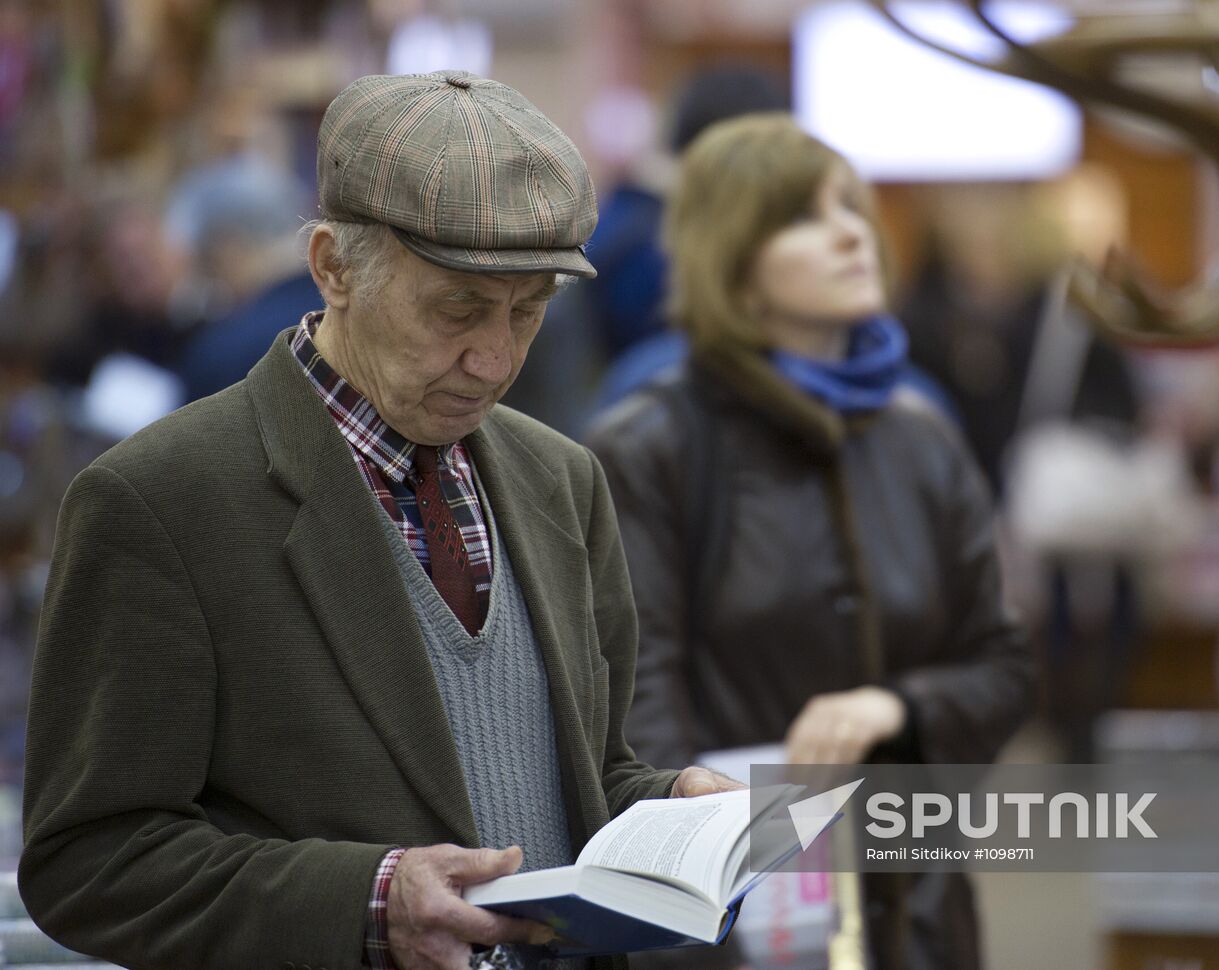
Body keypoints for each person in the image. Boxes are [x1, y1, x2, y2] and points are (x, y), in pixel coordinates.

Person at [19, 70, 733, 970]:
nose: (494, 358)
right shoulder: (161, 501)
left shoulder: (563, 481)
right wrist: (368, 899)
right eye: (457, 310)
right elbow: (89, 861)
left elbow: (581, 772)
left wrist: (667, 805)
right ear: (331, 265)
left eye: (530, 311)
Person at [586, 115, 1036, 970]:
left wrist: (896, 705)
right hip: (736, 927)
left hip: (920, 918)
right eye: (805, 215)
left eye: (853, 207)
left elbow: (1005, 666)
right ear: (734, 261)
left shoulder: (920, 436)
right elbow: (638, 717)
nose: (850, 232)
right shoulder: (653, 447)